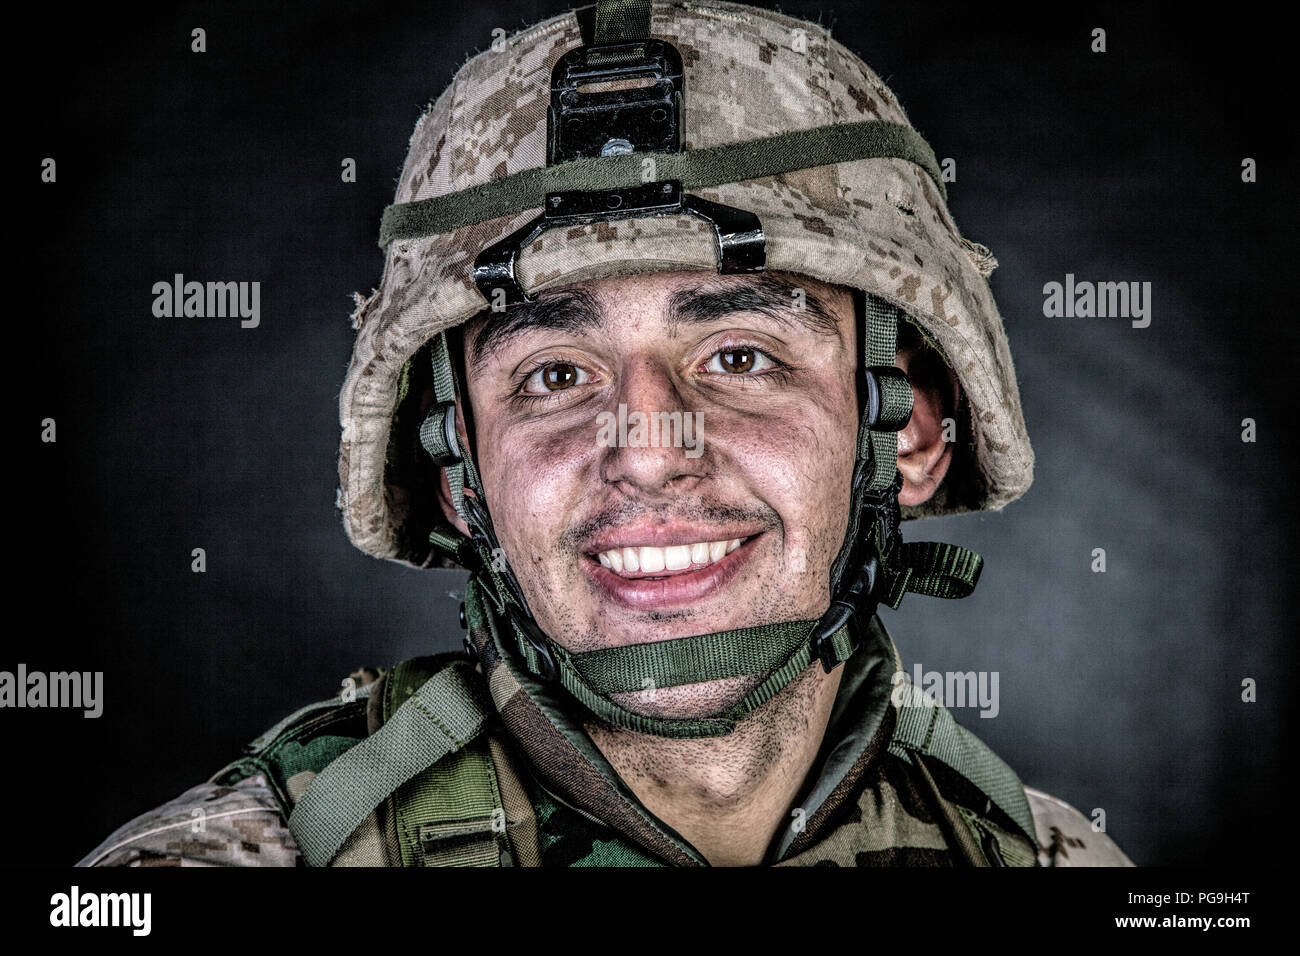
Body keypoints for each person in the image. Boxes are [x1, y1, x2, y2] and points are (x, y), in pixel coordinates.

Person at [78, 0, 1132, 868]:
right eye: (553, 375)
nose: (645, 444)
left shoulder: (1045, 855)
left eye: (739, 356)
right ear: (460, 476)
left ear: (909, 433)